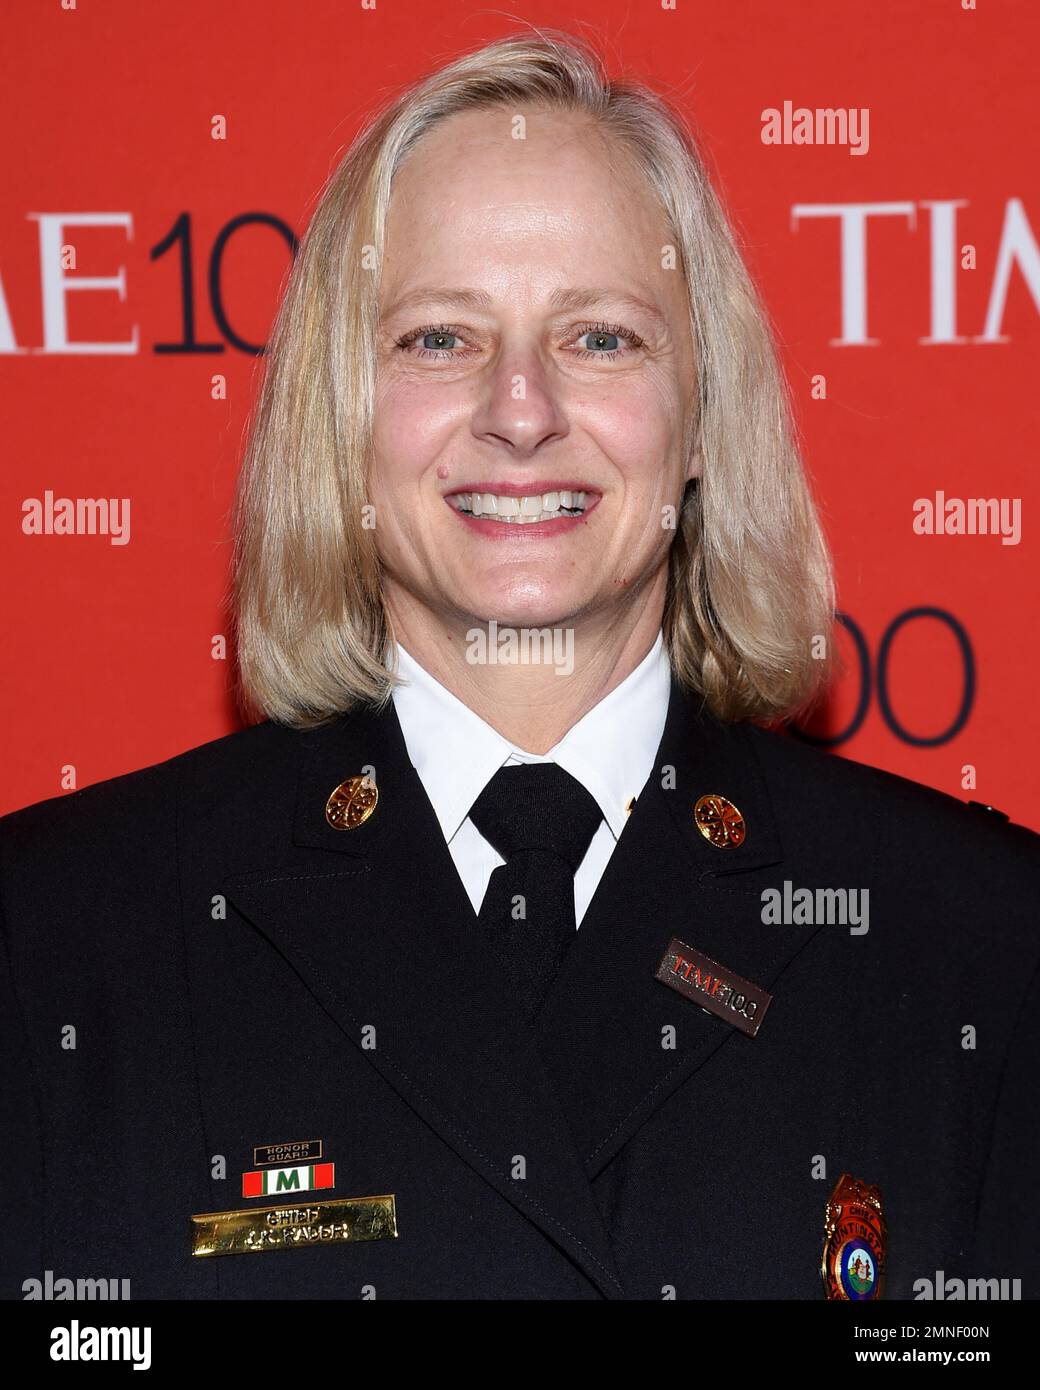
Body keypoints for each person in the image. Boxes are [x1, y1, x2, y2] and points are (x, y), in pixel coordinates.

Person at [2, 30, 1037, 1303]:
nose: (520, 406)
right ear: (343, 414)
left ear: (701, 414)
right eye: (438, 339)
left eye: (600, 338)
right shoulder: (57, 942)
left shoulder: (978, 944)